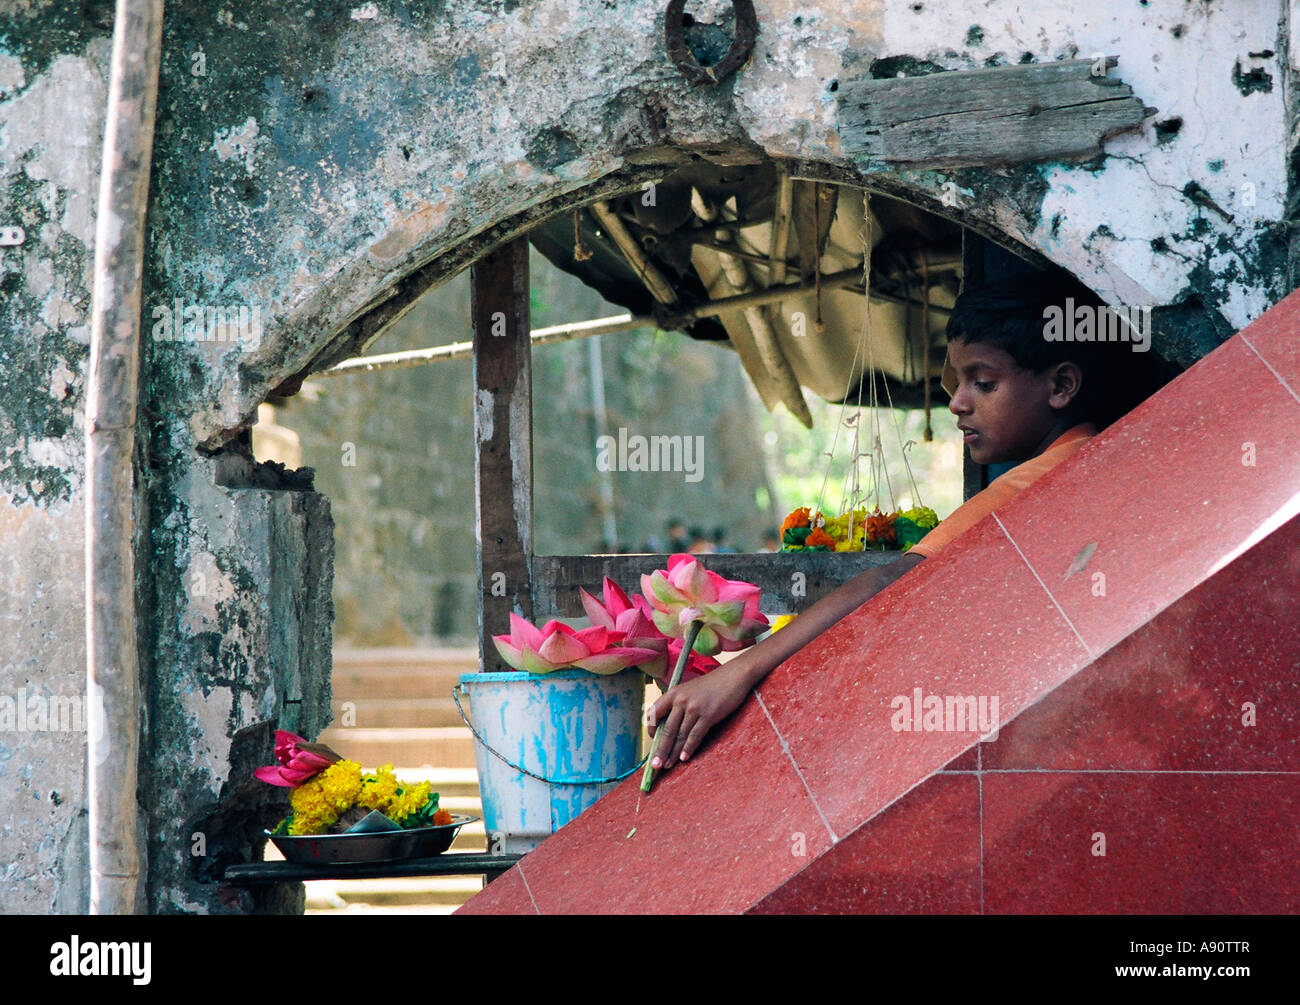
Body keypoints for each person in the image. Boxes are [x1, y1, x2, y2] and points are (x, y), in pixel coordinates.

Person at [647, 272, 1142, 773]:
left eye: (983, 383)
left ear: (1060, 385)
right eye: (958, 381)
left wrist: (739, 673)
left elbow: (891, 578)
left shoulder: (1040, 478)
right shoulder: (1094, 459)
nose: (957, 402)